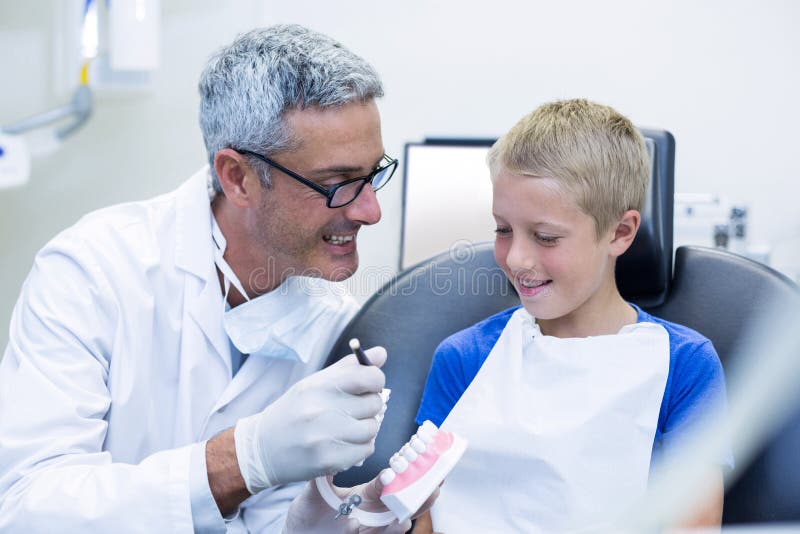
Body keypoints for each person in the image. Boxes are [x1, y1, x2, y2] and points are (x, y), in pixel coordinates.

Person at [0, 25, 427, 532]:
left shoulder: (332, 319)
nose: (371, 210)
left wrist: (347, 517)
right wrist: (240, 459)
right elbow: (26, 506)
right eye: (337, 184)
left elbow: (266, 523)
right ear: (238, 177)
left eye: (373, 174)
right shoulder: (93, 273)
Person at [412, 99, 732, 532]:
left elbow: (695, 525)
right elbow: (424, 517)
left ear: (620, 232)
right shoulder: (465, 359)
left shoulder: (685, 366)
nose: (517, 258)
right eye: (502, 230)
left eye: (545, 237)